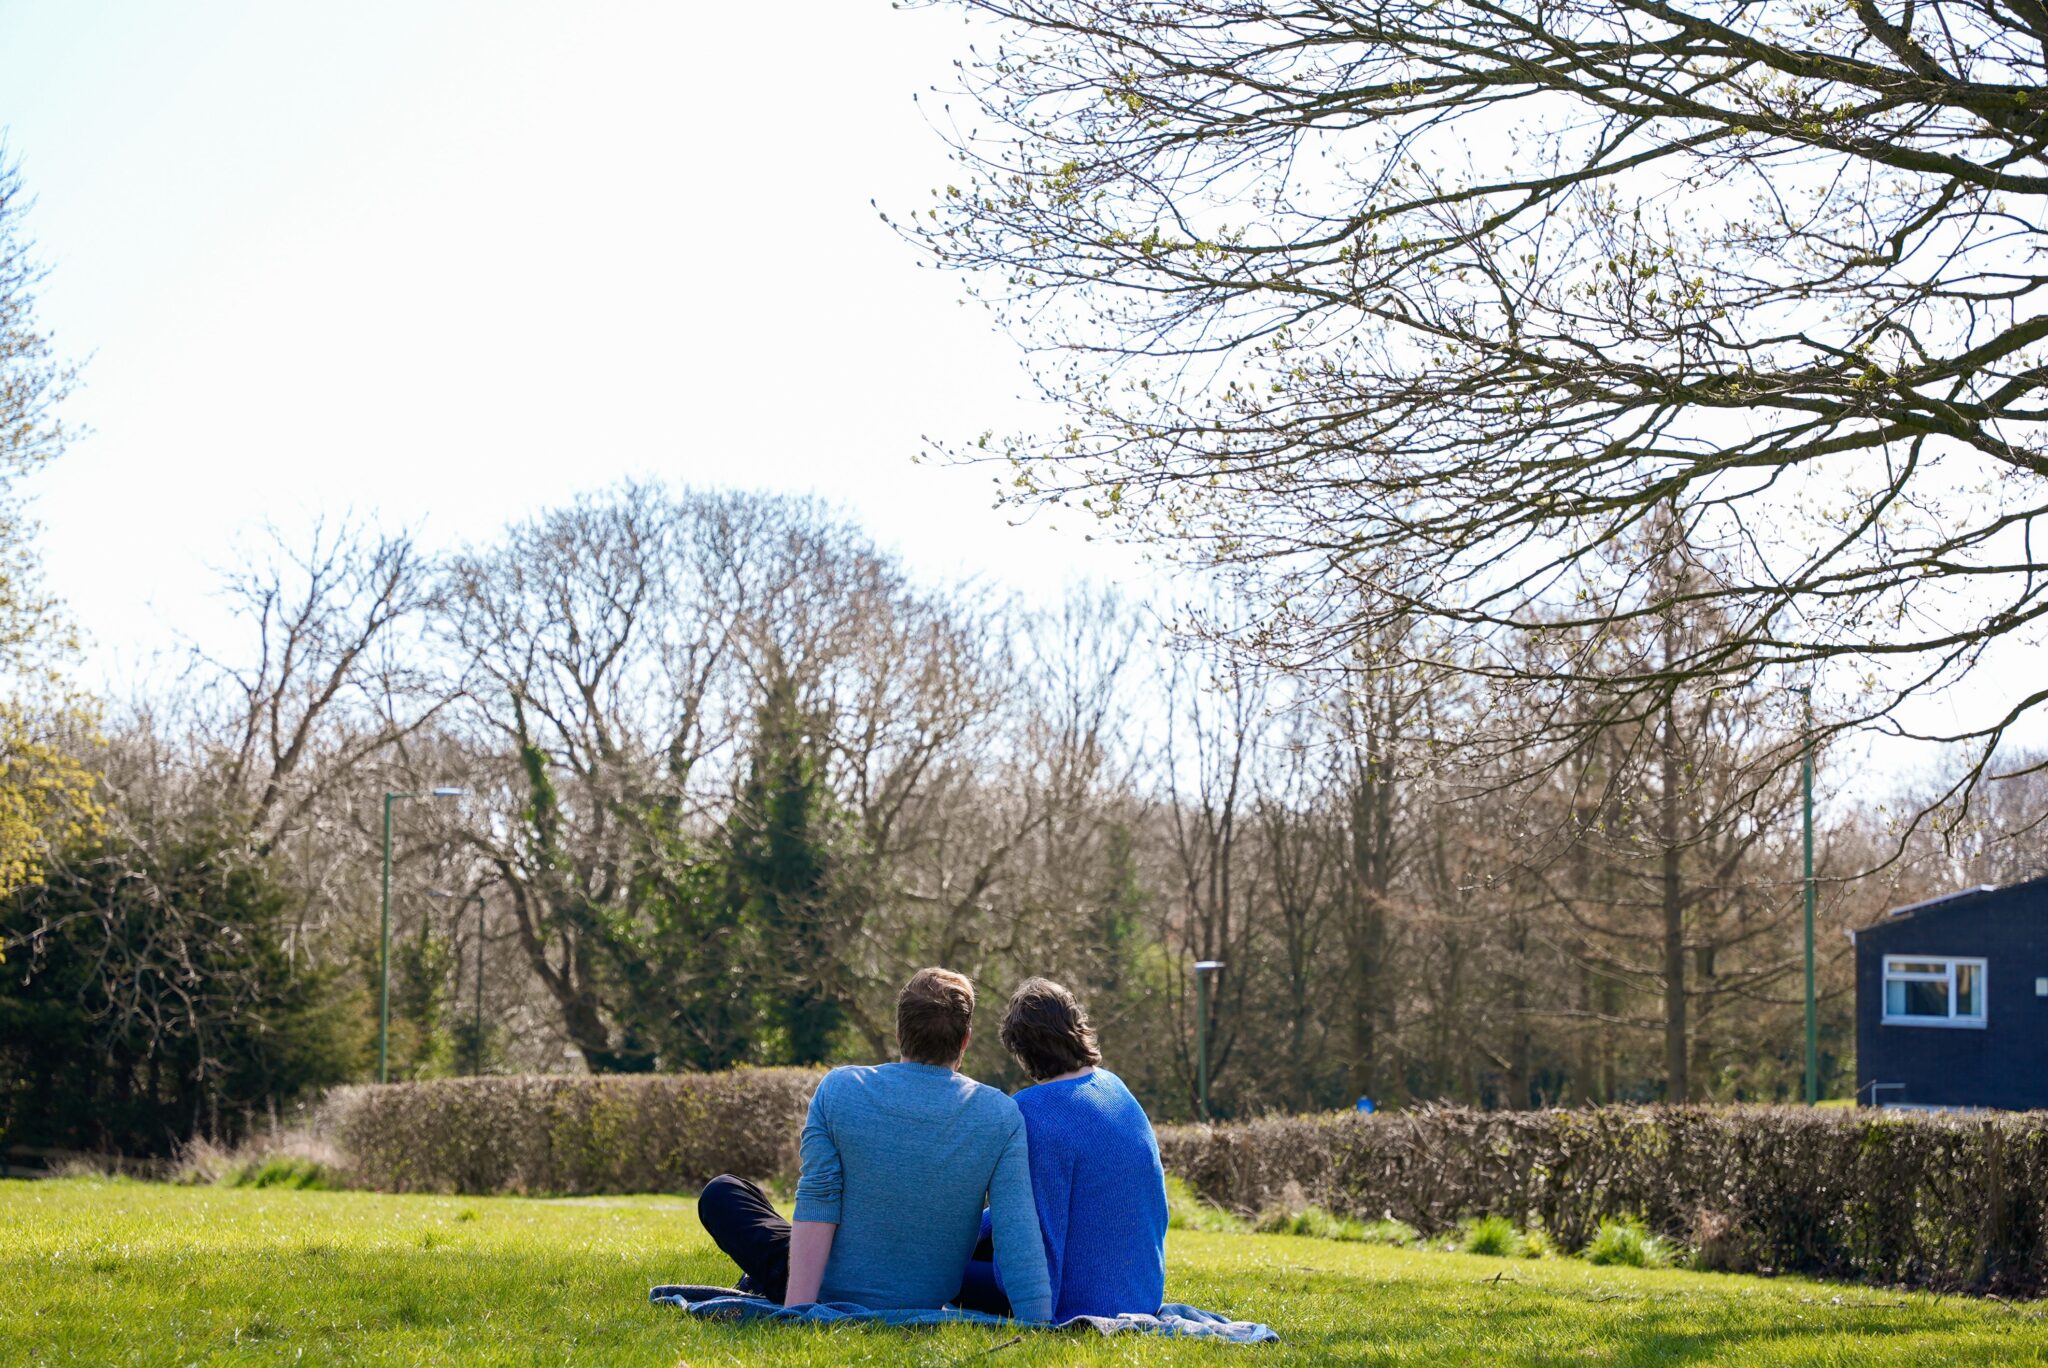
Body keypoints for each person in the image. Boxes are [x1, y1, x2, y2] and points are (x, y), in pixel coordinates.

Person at [696, 967, 1053, 1323]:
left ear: (899, 1033)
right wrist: (1038, 1324)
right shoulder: (1000, 1115)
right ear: (965, 1040)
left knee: (724, 1192)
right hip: (922, 1294)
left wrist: (799, 1310)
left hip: (825, 1283)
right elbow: (1016, 1232)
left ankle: (768, 1282)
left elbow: (819, 1201)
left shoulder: (840, 1089)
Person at [956, 976, 1169, 1322]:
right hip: (1140, 1290)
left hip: (1082, 1298)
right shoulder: (1115, 1087)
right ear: (1076, 1026)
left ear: (1021, 1048)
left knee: (940, 1270)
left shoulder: (1033, 1110)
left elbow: (1032, 1230)